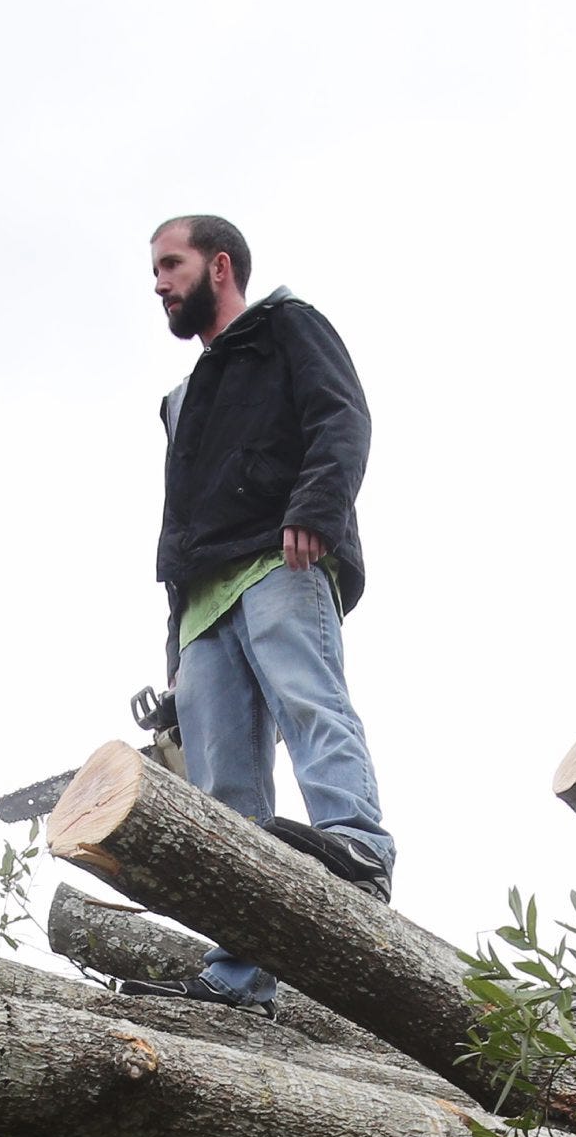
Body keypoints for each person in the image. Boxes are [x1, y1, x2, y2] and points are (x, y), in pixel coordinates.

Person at [133, 212, 392, 1011]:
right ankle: (242, 973)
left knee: (310, 702)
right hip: (202, 600)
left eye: (171, 265)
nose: (158, 282)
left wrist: (315, 505)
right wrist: (176, 657)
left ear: (219, 266)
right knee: (223, 793)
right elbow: (182, 521)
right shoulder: (180, 400)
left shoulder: (287, 326)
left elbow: (340, 415)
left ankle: (358, 844)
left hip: (282, 559)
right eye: (154, 271)